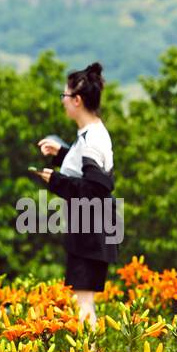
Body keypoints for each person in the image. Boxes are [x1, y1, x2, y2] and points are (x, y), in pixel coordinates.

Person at [33, 62, 117, 328]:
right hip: (91, 228)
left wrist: (55, 181)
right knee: (84, 298)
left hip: (91, 230)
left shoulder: (92, 138)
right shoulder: (90, 134)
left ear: (77, 100)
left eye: (65, 96)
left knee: (84, 301)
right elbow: (88, 172)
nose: (63, 102)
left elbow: (95, 189)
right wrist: (61, 153)